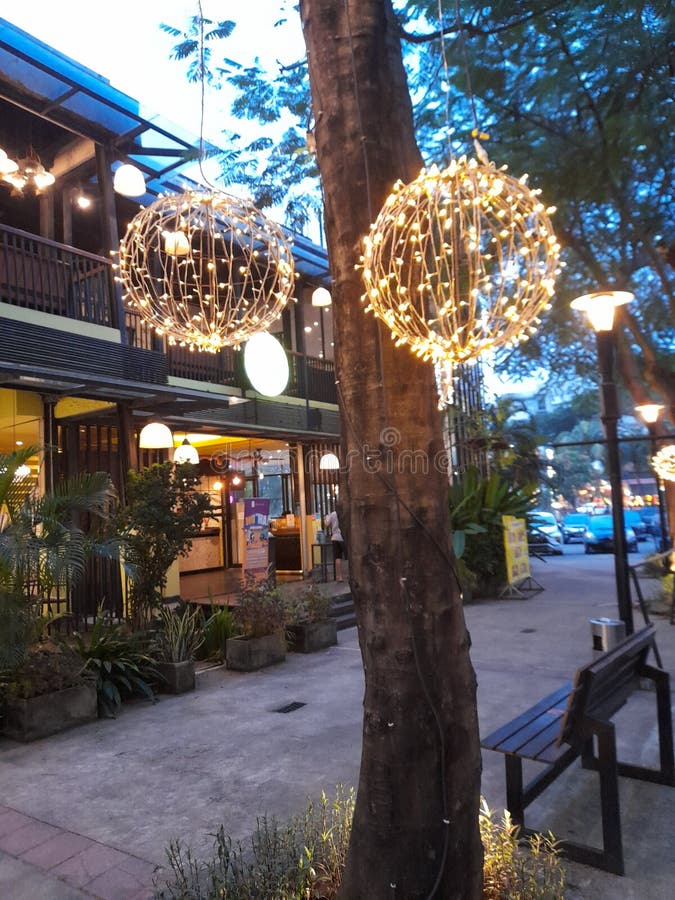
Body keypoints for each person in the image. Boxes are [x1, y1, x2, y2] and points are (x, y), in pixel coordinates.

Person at [324, 507, 346, 582]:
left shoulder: (333, 514)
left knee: (337, 557)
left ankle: (339, 577)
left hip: (335, 537)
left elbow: (326, 523)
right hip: (344, 537)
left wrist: (326, 517)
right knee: (348, 557)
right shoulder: (346, 513)